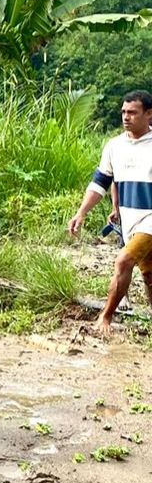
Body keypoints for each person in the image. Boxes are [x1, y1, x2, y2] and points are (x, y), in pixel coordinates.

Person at [69, 89, 152, 337]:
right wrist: (81, 212)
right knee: (149, 275)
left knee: (123, 261)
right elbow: (100, 183)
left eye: (133, 112)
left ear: (149, 114)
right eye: (124, 112)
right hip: (130, 219)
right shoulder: (114, 146)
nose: (126, 117)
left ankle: (105, 317)